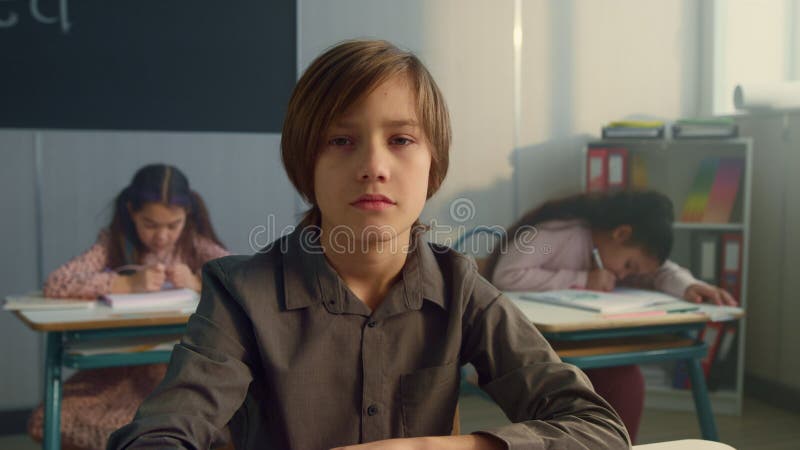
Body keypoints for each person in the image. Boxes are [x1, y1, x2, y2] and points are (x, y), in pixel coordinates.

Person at [107, 39, 630, 450]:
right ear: (304, 164)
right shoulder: (241, 293)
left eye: (401, 140)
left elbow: (598, 430)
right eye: (341, 140)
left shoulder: (459, 287)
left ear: (433, 165)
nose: (374, 167)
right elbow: (164, 430)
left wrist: (441, 447)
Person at [487, 190, 737, 443]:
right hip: (535, 343)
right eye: (629, 266)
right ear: (621, 234)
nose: (627, 275)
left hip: (585, 343)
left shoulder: (617, 253)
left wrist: (688, 286)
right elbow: (506, 275)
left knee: (626, 381)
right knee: (579, 385)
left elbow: (660, 271)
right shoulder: (557, 234)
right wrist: (583, 279)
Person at [29, 163, 229, 450]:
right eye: (150, 224)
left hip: (177, 370)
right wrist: (124, 284)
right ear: (132, 212)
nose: (162, 236)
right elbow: (57, 283)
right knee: (48, 419)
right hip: (118, 372)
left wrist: (198, 281)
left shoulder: (194, 244)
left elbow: (237, 278)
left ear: (188, 215)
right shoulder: (113, 242)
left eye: (173, 225)